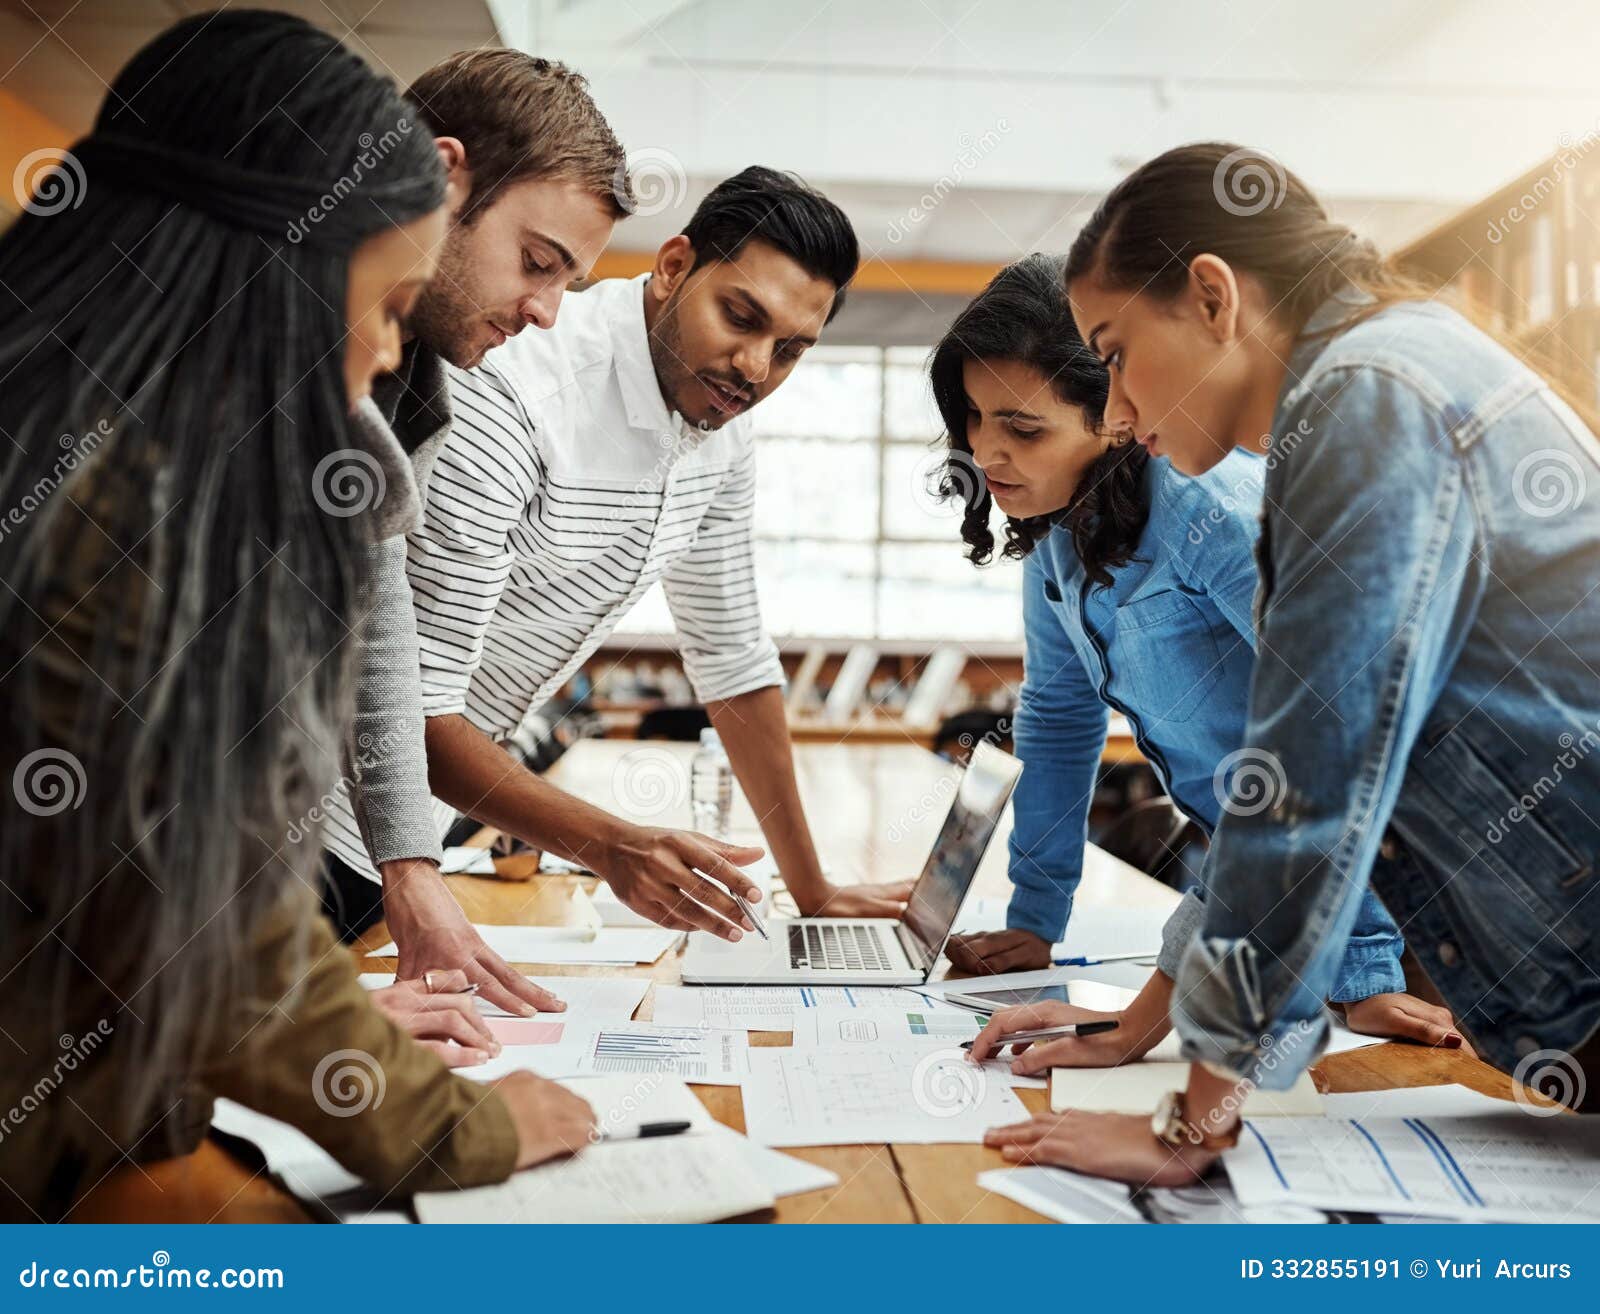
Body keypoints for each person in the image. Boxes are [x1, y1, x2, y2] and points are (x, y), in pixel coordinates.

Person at [0, 10, 594, 1221]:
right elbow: (201, 930)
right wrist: (459, 1131)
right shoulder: (109, 517)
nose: (380, 358)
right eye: (377, 306)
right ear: (256, 275)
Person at [978, 142, 1600, 1185]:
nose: (1120, 413)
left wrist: (1191, 1124)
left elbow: (1309, 783)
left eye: (1116, 352)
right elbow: (1280, 777)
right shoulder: (1381, 377)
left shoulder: (1369, 400)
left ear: (1212, 297)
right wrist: (1146, 1026)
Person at [319, 167, 914, 936]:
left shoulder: (722, 434)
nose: (756, 369)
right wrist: (614, 845)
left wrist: (814, 889)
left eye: (792, 349)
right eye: (740, 316)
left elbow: (732, 657)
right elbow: (414, 707)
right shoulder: (516, 394)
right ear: (672, 268)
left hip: (422, 833)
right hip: (319, 821)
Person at [934, 256, 1457, 1069]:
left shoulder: (1215, 514)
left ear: (1111, 411)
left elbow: (1340, 744)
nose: (985, 452)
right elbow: (1062, 718)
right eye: (973, 416)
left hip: (1426, 917)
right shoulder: (1056, 540)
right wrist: (1035, 919)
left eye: (1023, 427)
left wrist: (1362, 969)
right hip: (1273, 903)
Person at [321, 49, 630, 1026]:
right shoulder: (277, 354)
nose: (544, 312)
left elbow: (379, 638)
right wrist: (269, 1017)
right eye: (538, 262)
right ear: (446, 178)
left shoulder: (404, 386)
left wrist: (408, 870)